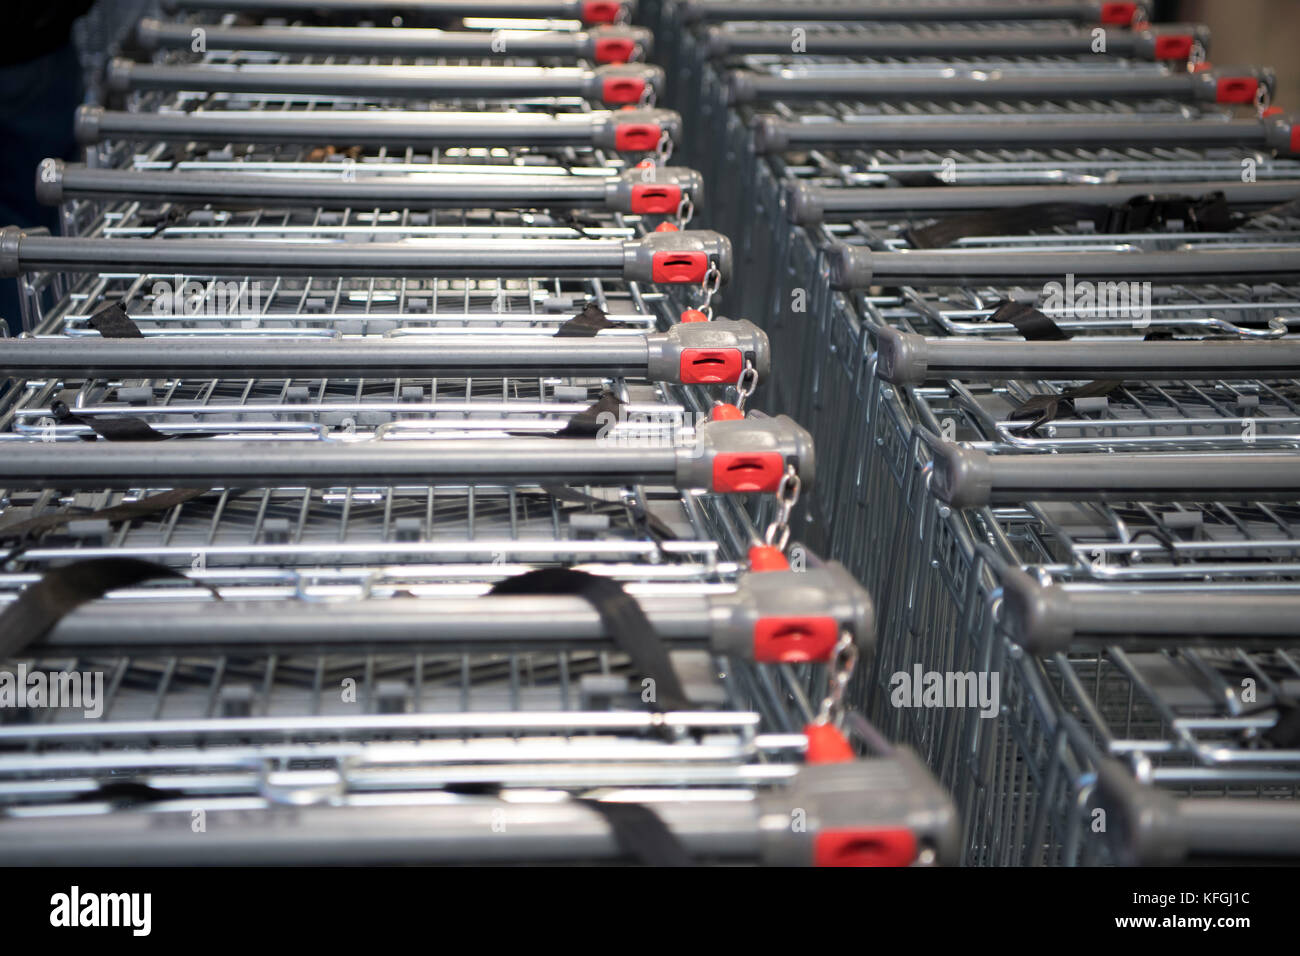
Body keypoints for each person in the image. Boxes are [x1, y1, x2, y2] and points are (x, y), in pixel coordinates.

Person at [0, 2, 95, 335]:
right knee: (49, 226)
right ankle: (54, 351)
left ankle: (33, 363)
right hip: (45, 44)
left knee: (25, 240)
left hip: (29, 54)